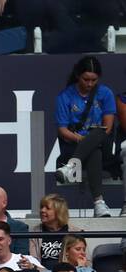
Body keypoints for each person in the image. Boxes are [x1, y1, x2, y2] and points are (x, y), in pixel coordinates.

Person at [54, 56, 117, 219]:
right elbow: (62, 130)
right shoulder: (65, 96)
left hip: (102, 143)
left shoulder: (105, 93)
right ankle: (99, 203)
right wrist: (82, 140)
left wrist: (89, 139)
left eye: (94, 80)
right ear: (77, 76)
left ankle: (70, 167)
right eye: (86, 79)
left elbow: (108, 128)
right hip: (74, 145)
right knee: (93, 150)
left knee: (97, 135)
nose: (89, 84)